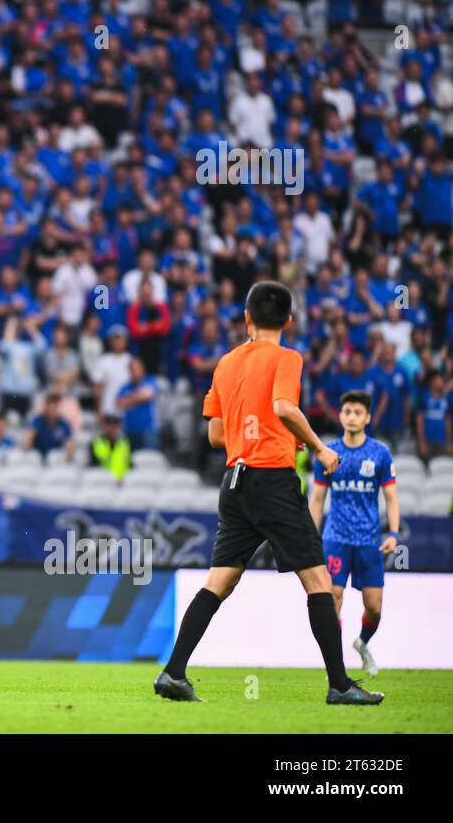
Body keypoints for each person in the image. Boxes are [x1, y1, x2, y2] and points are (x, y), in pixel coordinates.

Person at [155, 281, 382, 705]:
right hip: (271, 482)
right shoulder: (287, 357)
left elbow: (217, 434)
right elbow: (282, 407)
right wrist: (319, 447)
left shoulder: (225, 363)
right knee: (319, 580)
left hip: (235, 482)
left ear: (246, 318)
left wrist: (272, 435)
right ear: (289, 321)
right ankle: (340, 684)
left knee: (219, 581)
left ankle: (173, 672)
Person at [308, 390, 400, 678]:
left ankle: (362, 643)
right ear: (340, 415)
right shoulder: (328, 453)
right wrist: (313, 536)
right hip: (335, 537)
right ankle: (335, 666)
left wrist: (394, 534)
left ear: (368, 418)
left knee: (373, 607)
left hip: (369, 541)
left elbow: (392, 498)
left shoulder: (380, 453)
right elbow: (317, 498)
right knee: (333, 595)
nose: (351, 417)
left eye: (357, 412)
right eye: (347, 411)